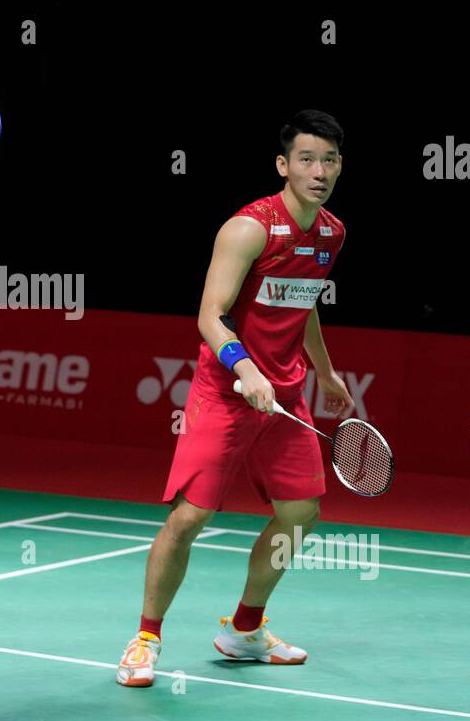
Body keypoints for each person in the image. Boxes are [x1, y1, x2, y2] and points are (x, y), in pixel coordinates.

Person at [116, 110, 356, 687]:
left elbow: (305, 303)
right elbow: (210, 316)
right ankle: (146, 637)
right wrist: (246, 369)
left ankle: (245, 629)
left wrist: (324, 372)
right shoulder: (250, 228)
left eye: (328, 160)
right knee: (190, 517)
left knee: (300, 513)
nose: (317, 170)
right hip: (226, 392)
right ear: (283, 165)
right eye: (306, 159)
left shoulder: (332, 233)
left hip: (286, 395)